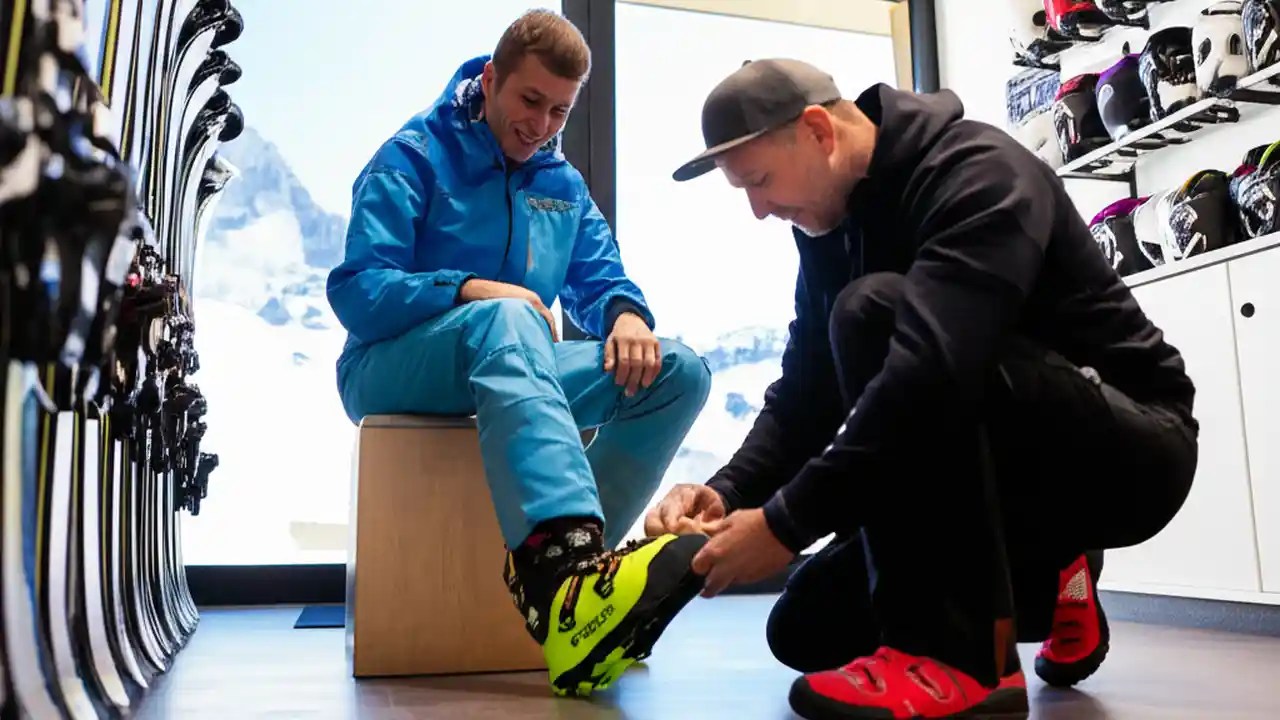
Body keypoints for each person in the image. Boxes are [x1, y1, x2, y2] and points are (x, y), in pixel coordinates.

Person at [646, 59, 1198, 719]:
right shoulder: (828, 223)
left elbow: (930, 372)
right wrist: (728, 494)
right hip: (997, 462)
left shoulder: (979, 173)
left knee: (872, 310)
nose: (759, 210)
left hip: (1131, 452)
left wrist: (786, 523)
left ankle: (968, 665)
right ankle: (1054, 576)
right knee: (805, 628)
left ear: (819, 131)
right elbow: (807, 394)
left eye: (759, 181)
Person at [325, 9, 713, 698]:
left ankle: (593, 590)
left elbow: (602, 280)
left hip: (513, 361)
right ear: (491, 79)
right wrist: (468, 289)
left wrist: (625, 315)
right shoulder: (411, 157)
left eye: (559, 111)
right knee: (505, 314)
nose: (541, 125)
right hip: (390, 367)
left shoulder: (560, 185)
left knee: (678, 372)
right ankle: (556, 574)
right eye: (529, 100)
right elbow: (357, 291)